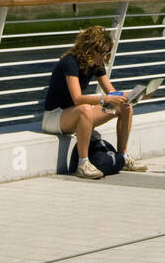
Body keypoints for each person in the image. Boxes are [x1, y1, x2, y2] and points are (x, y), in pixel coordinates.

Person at [40, 25, 148, 178]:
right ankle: (83, 164)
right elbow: (77, 99)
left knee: (125, 107)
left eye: (107, 52)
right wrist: (104, 99)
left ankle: (122, 157)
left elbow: (112, 92)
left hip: (73, 115)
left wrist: (135, 94)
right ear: (90, 49)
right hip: (54, 117)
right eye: (103, 52)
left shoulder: (95, 64)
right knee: (85, 109)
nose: (105, 57)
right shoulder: (69, 63)